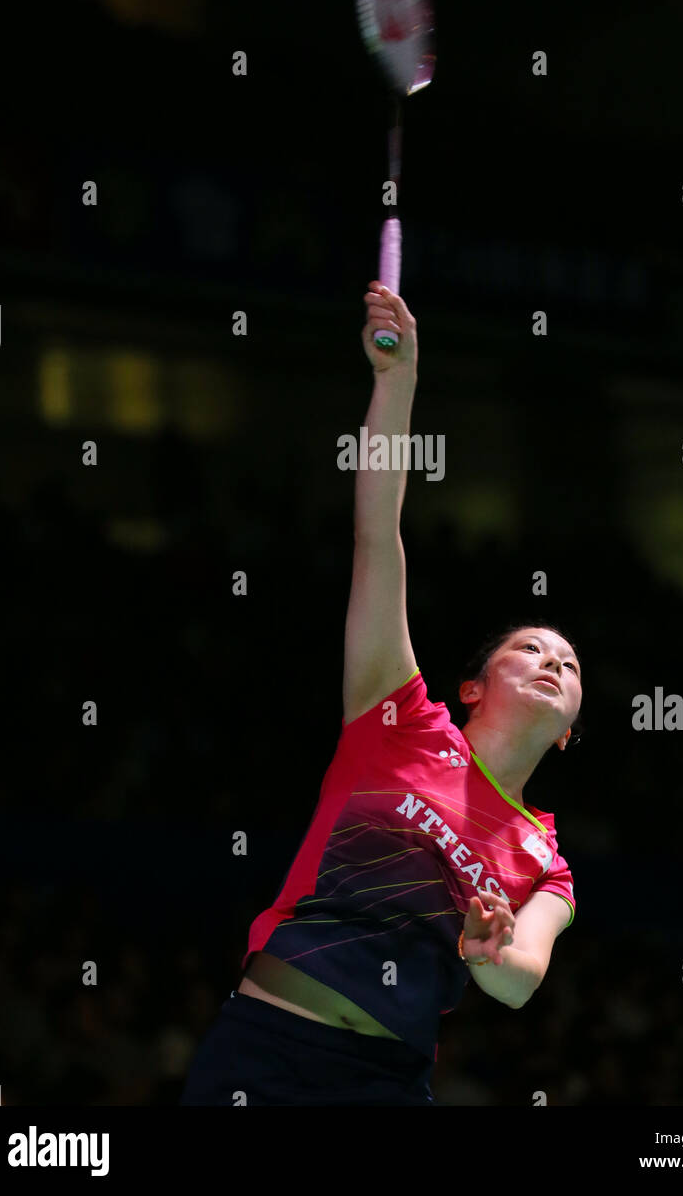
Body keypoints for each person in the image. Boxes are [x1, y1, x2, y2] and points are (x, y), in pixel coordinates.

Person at [180, 282, 582, 1106]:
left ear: (571, 730)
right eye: (532, 648)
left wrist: (486, 949)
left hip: (387, 1084)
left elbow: (518, 982)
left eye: (572, 667)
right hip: (271, 1050)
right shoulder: (396, 719)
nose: (555, 663)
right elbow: (377, 534)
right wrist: (396, 383)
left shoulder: (546, 864)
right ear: (472, 687)